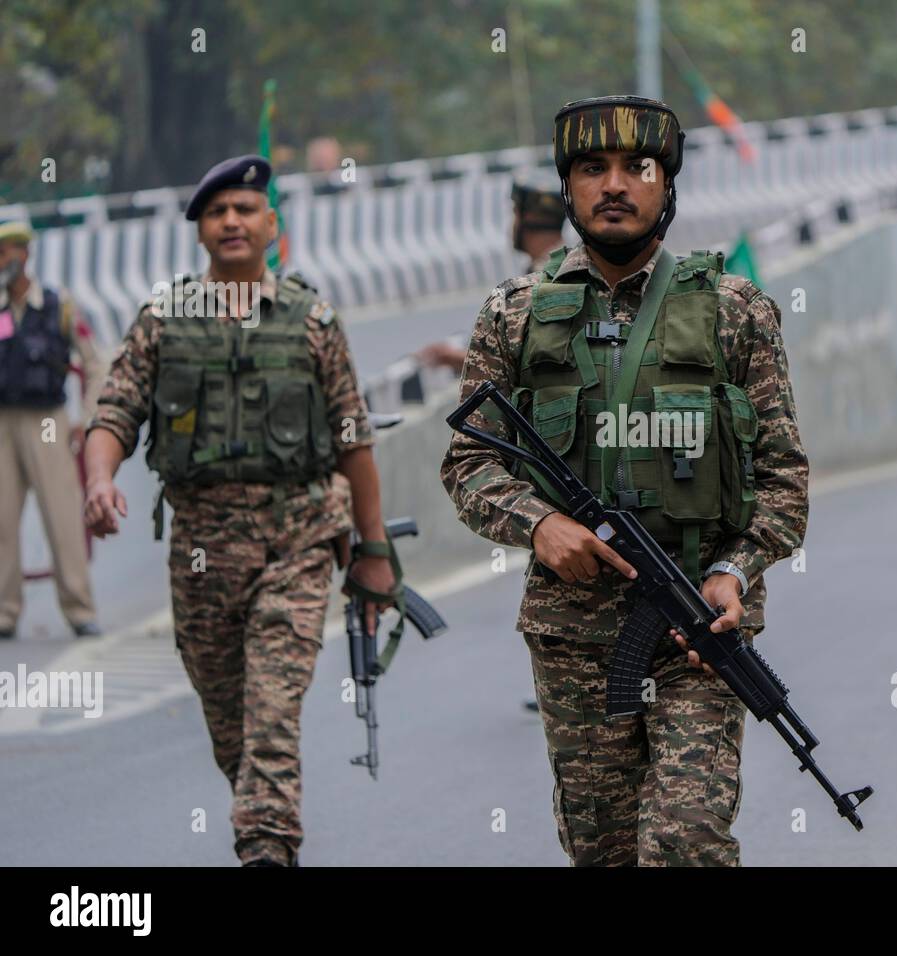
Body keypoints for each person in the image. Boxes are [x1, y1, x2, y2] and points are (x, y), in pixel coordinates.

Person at [441, 95, 808, 866]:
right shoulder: (513, 316)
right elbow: (467, 463)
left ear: (665, 184)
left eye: (636, 168)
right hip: (574, 638)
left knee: (686, 840)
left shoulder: (734, 312)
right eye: (590, 168)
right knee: (602, 853)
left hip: (699, 633)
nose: (614, 185)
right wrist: (539, 525)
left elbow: (783, 480)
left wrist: (732, 572)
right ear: (568, 188)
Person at [82, 154, 397, 866]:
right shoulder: (165, 320)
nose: (231, 221)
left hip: (300, 543)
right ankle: (262, 813)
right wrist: (98, 482)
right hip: (202, 553)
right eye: (217, 212)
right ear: (199, 231)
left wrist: (373, 551)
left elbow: (353, 436)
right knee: (232, 727)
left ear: (270, 225)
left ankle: (266, 848)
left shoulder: (313, 320)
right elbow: (115, 411)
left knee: (272, 716)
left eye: (245, 210)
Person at [0, 218, 104, 639]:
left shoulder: (58, 304)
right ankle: (5, 613)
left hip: (47, 420)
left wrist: (85, 419)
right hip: (3, 421)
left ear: (26, 254)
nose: (6, 259)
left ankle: (79, 608)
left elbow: (94, 364)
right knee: (2, 521)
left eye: (12, 250)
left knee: (62, 515)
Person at [415, 171, 568, 378]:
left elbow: (522, 362)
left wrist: (452, 357)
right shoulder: (563, 264)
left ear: (529, 218)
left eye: (515, 213)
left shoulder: (546, 279)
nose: (511, 224)